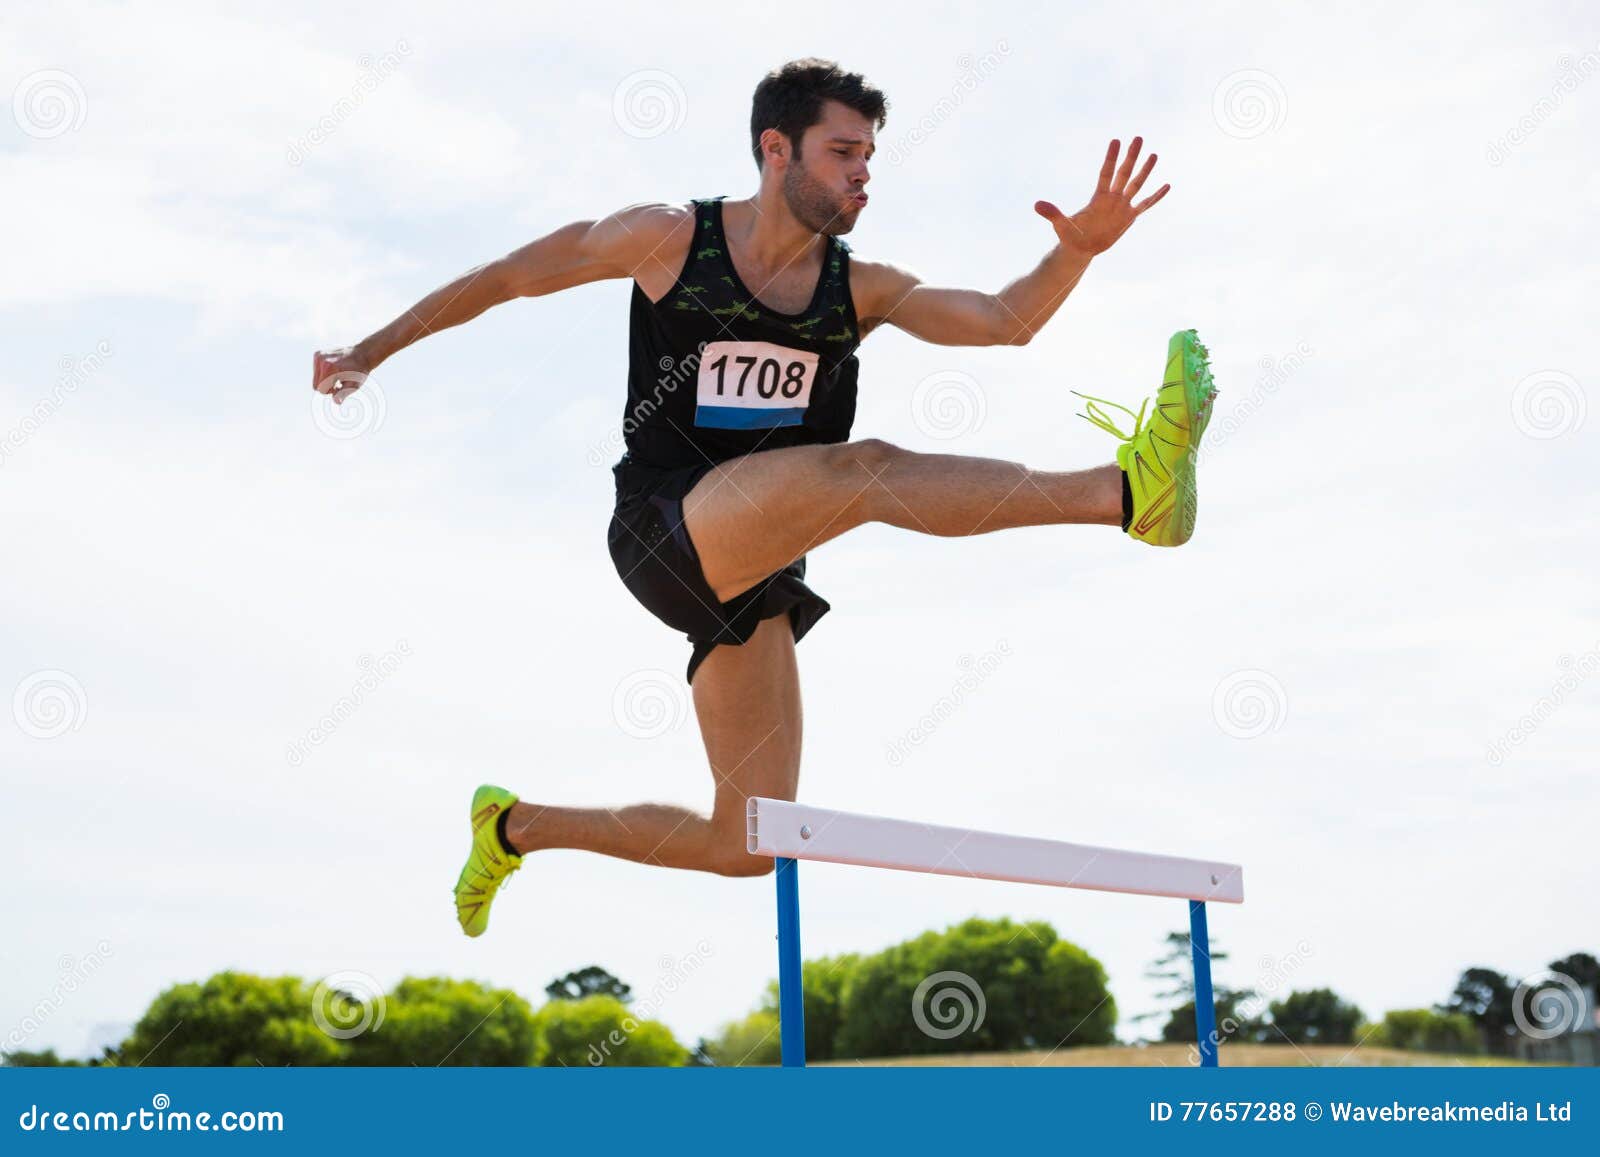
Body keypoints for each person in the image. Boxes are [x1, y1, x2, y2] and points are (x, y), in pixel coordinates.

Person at [310, 59, 1216, 938]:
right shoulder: (668, 240)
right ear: (775, 149)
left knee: (753, 840)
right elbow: (507, 277)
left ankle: (513, 828)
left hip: (755, 572)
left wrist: (1075, 249)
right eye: (843, 152)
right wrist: (368, 350)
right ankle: (1127, 492)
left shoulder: (857, 287)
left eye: (870, 156)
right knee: (860, 470)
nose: (864, 173)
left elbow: (1002, 320)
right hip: (663, 528)